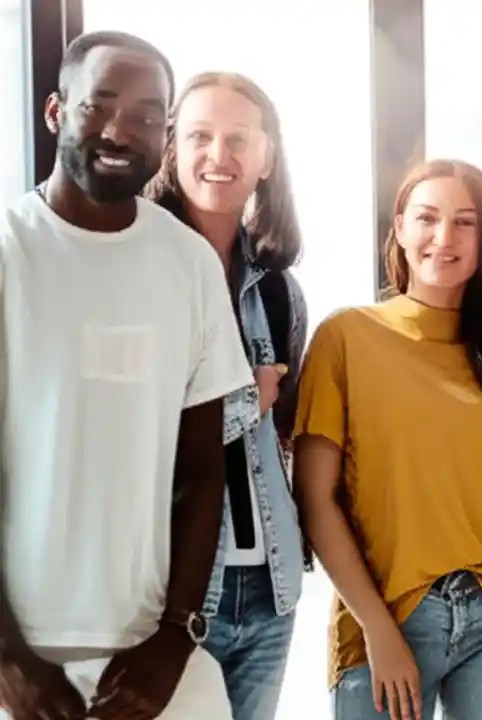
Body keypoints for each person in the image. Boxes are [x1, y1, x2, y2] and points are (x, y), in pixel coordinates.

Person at [0, 31, 254, 719]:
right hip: (17, 656)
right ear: (56, 112)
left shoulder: (189, 262)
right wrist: (9, 658)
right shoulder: (9, 251)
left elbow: (202, 471)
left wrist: (176, 636)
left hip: (146, 653)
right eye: (99, 106)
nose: (121, 129)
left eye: (146, 114)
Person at [293, 159, 482, 720]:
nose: (444, 237)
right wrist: (378, 630)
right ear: (400, 227)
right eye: (427, 217)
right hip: (387, 611)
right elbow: (316, 502)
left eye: (465, 222)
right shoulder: (346, 337)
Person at [144, 70, 308, 720]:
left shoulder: (279, 289)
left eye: (239, 138)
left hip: (271, 590)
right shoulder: (139, 273)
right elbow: (142, 434)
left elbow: (287, 440)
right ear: (172, 149)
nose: (220, 155)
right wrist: (251, 398)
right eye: (200, 136)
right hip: (178, 594)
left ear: (266, 157)